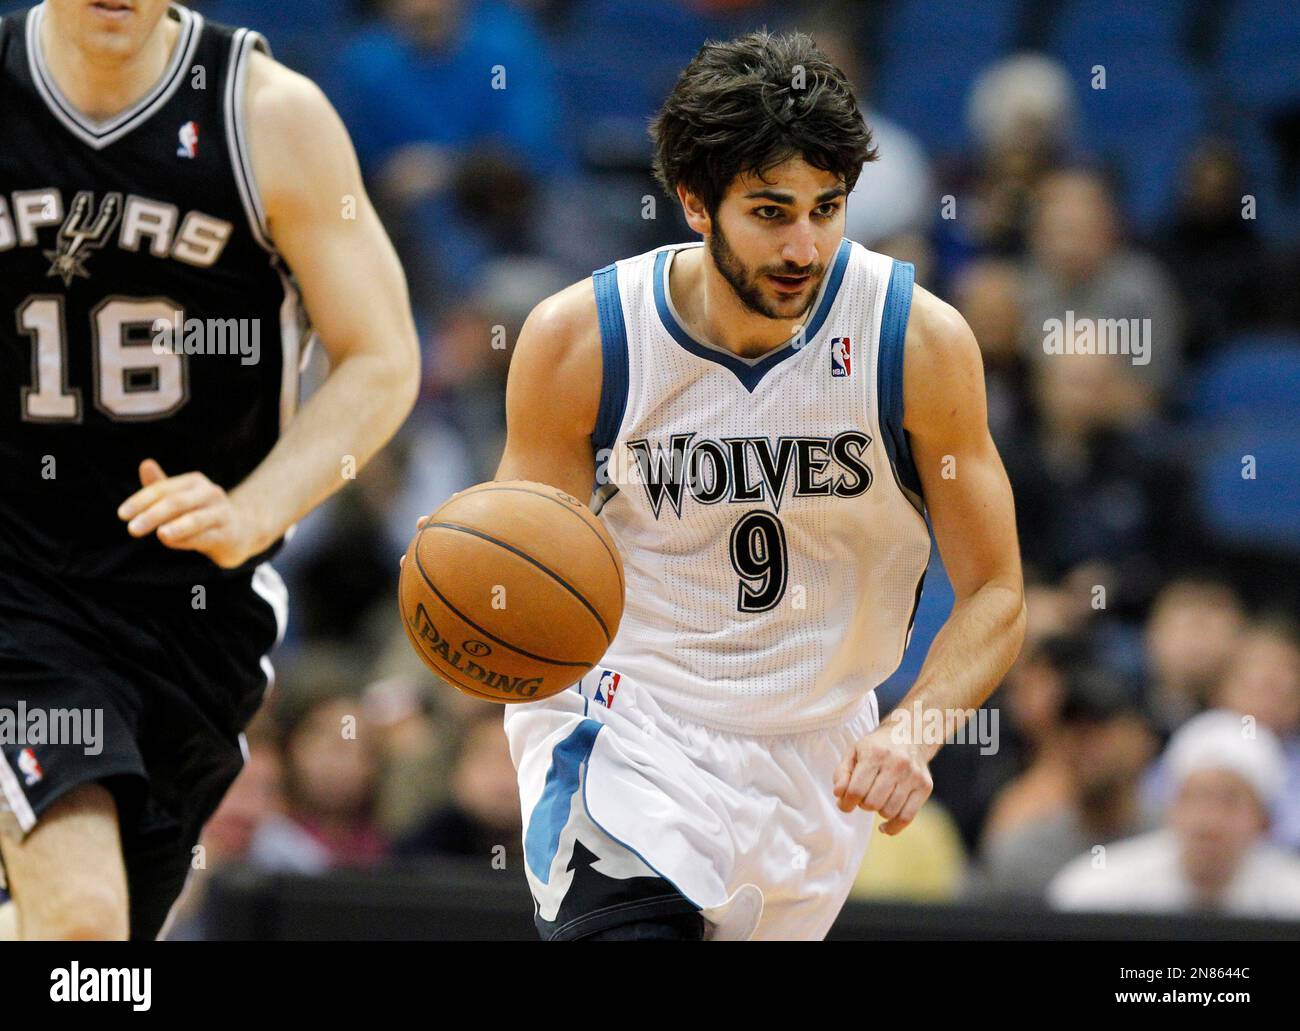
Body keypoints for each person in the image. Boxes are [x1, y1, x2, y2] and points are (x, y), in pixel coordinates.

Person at [491, 31, 1026, 941]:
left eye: (828, 208)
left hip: (821, 750)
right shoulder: (582, 341)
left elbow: (997, 592)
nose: (805, 246)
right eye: (771, 212)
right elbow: (519, 568)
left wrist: (915, 729)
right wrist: (483, 608)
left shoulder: (917, 343)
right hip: (630, 723)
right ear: (696, 203)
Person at [0, 0, 419, 940]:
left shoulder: (268, 115)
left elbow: (381, 357)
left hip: (192, 608)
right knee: (81, 924)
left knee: (89, 945)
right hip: (19, 583)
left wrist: (250, 507)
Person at [1049, 710, 1300, 918]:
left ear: (1263, 820)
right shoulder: (1095, 893)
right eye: (1197, 797)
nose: (1209, 820)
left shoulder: (1291, 900)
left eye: (1230, 802)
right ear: (1171, 807)